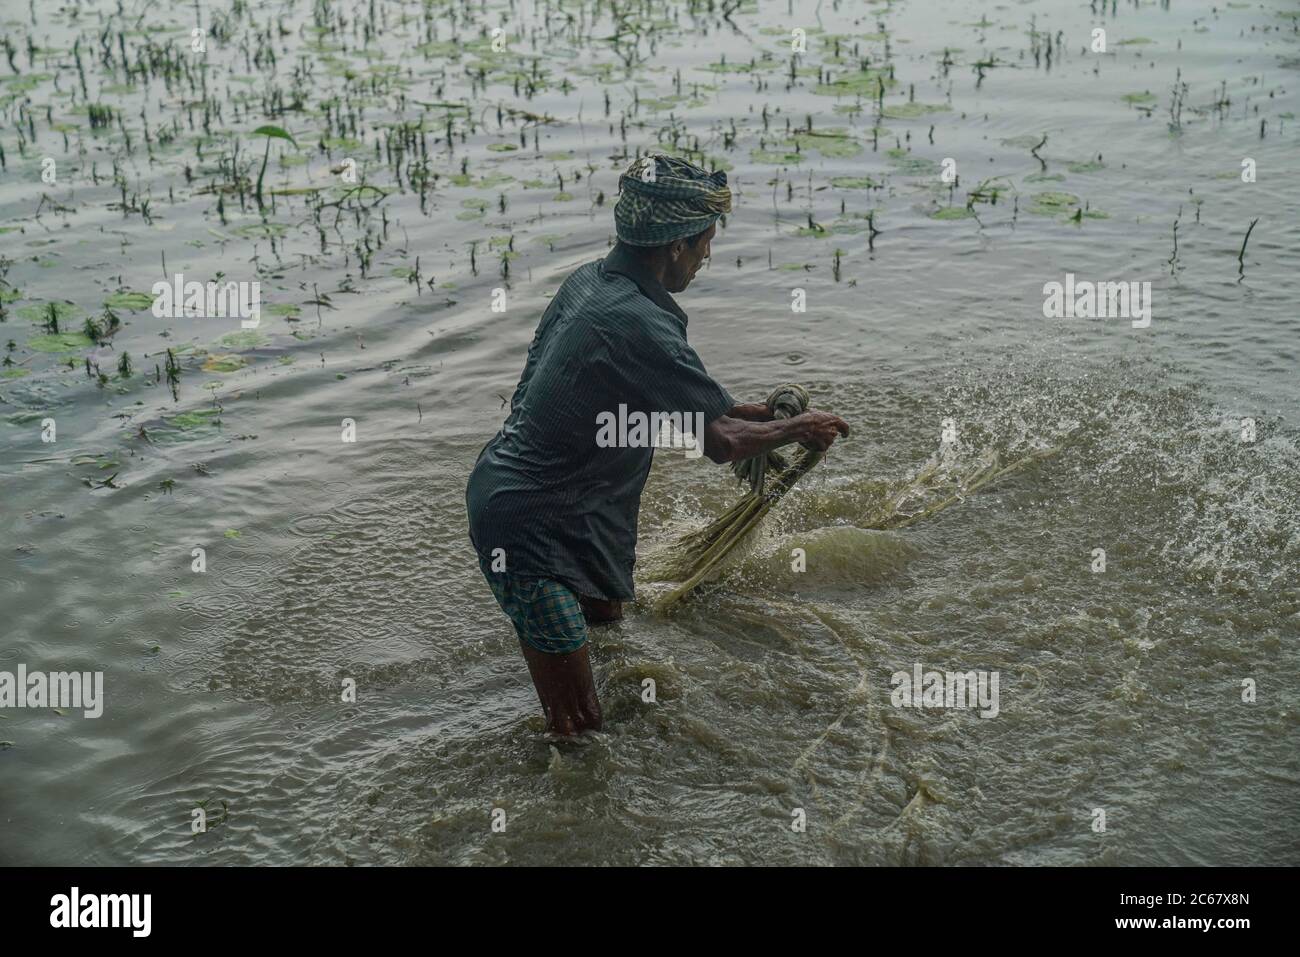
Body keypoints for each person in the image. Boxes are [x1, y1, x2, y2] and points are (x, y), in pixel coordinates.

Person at [465, 154, 850, 735]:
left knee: (607, 624)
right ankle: (572, 801)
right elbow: (720, 441)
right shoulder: (637, 322)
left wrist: (761, 415)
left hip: (562, 503)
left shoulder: (590, 284)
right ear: (674, 246)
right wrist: (797, 429)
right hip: (528, 526)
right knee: (578, 725)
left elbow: (687, 403)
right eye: (704, 244)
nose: (707, 257)